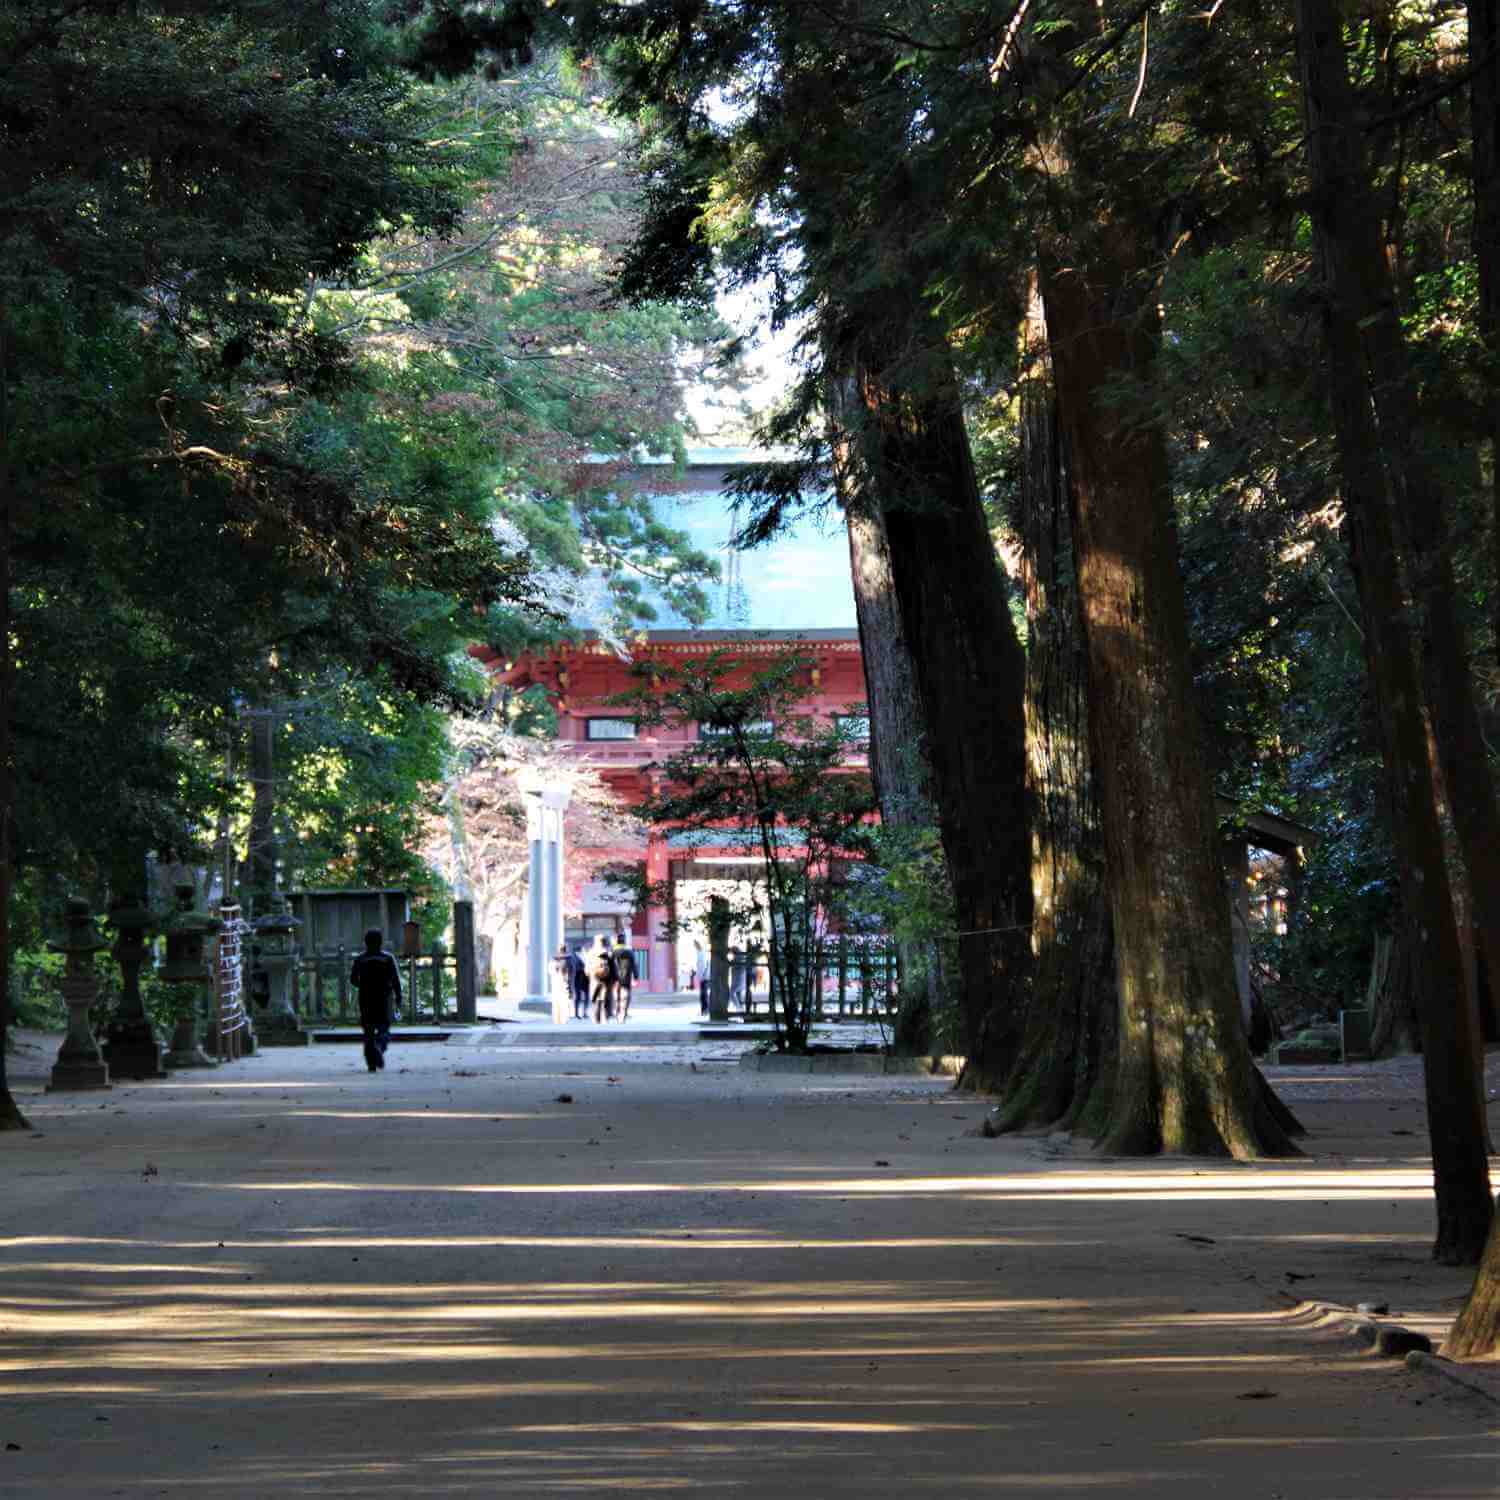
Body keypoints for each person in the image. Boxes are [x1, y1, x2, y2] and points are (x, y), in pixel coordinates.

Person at [350, 927, 401, 1072]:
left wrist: (363, 985)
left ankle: (371, 1063)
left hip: (366, 997)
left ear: (365, 943)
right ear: (381, 942)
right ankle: (379, 1045)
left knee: (368, 1030)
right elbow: (395, 979)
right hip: (384, 997)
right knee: (384, 1027)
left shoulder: (360, 959)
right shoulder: (388, 958)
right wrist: (398, 996)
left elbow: (353, 979)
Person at [590, 934, 616, 1023]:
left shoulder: (591, 952)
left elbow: (586, 970)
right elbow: (614, 967)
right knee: (606, 998)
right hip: (607, 980)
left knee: (596, 999)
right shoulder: (609, 952)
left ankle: (597, 1019)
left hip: (595, 979)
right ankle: (606, 1017)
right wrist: (615, 979)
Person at [612, 934, 636, 1022]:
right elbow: (634, 965)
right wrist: (636, 976)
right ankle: (624, 1013)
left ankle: (618, 1011)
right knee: (627, 995)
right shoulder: (629, 951)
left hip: (616, 978)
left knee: (617, 995)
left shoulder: (613, 952)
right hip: (626, 977)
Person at [551, 946, 572, 1025]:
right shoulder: (568, 962)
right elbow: (569, 976)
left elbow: (551, 972)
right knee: (564, 1002)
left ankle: (557, 1019)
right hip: (564, 984)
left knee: (556, 1003)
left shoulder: (553, 963)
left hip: (555, 985)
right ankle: (564, 1019)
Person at [569, 945, 590, 1020]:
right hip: (579, 978)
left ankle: (582, 1013)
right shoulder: (574, 957)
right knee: (579, 997)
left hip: (582, 979)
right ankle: (579, 1013)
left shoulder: (573, 957)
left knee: (582, 997)